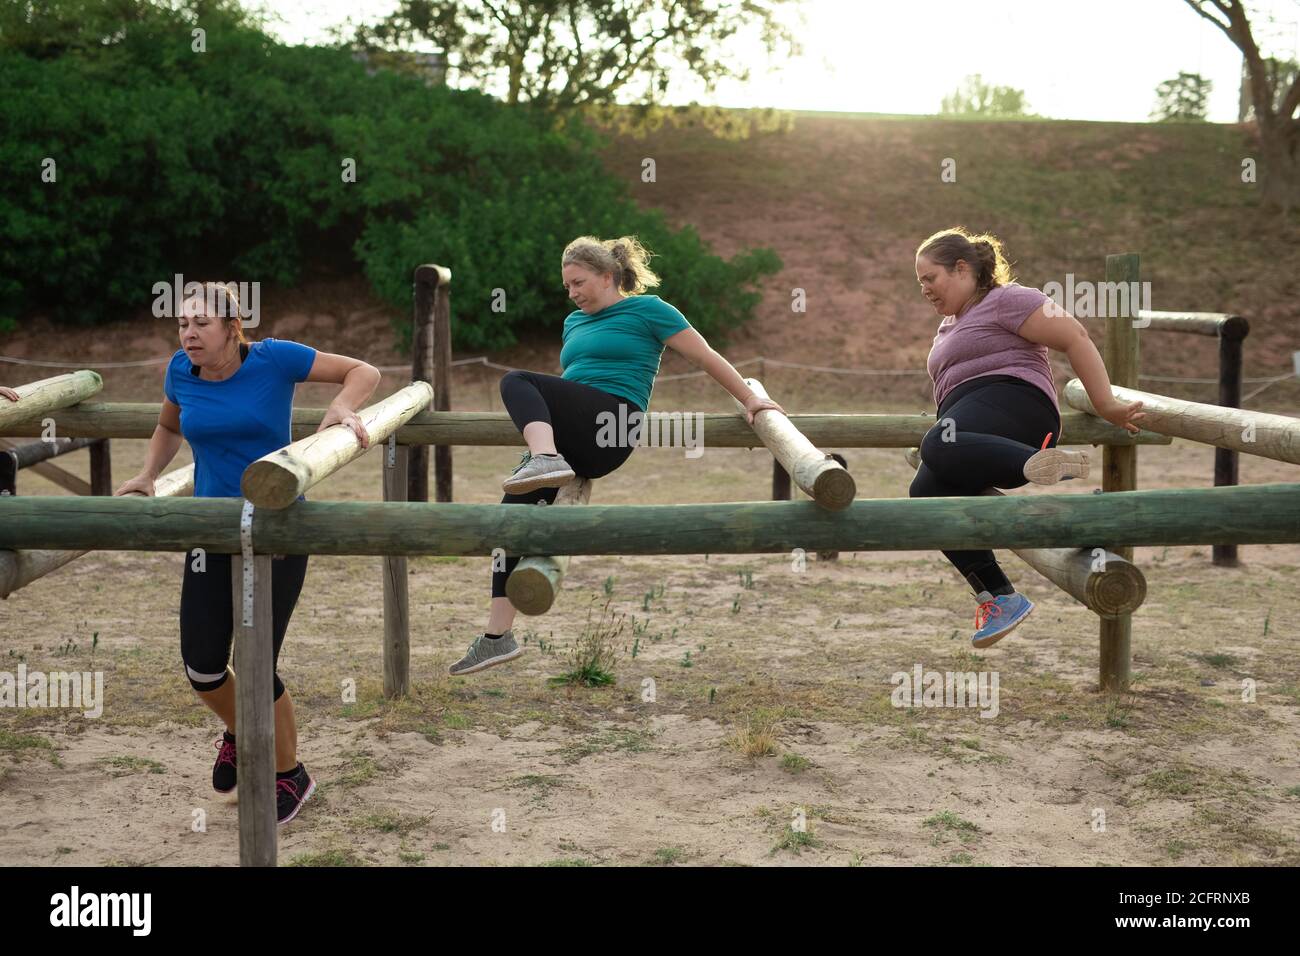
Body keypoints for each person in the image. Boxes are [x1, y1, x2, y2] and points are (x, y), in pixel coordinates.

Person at [449, 235, 786, 675]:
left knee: (516, 381)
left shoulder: (650, 311)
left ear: (608, 277)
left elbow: (704, 356)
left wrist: (750, 399)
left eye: (579, 282)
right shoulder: (574, 322)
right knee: (510, 524)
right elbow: (574, 380)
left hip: (614, 422)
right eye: (567, 286)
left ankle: (545, 458)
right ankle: (497, 637)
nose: (572, 293)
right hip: (574, 438)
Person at [114, 281, 381, 824]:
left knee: (256, 665)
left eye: (200, 324)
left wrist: (340, 406)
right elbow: (168, 425)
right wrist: (147, 474)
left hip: (278, 529)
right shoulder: (179, 371)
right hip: (211, 530)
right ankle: (239, 728)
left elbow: (365, 372)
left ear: (232, 328)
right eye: (182, 325)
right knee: (203, 667)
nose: (188, 333)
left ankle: (291, 775)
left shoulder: (273, 359)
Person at [912, 227, 1144, 648]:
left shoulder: (1008, 298)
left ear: (962, 268)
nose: (925, 289)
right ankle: (999, 597)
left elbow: (1075, 336)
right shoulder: (950, 323)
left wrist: (1106, 403)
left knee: (936, 444)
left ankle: (1035, 461)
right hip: (975, 424)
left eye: (931, 278)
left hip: (1018, 406)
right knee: (925, 491)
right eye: (920, 282)